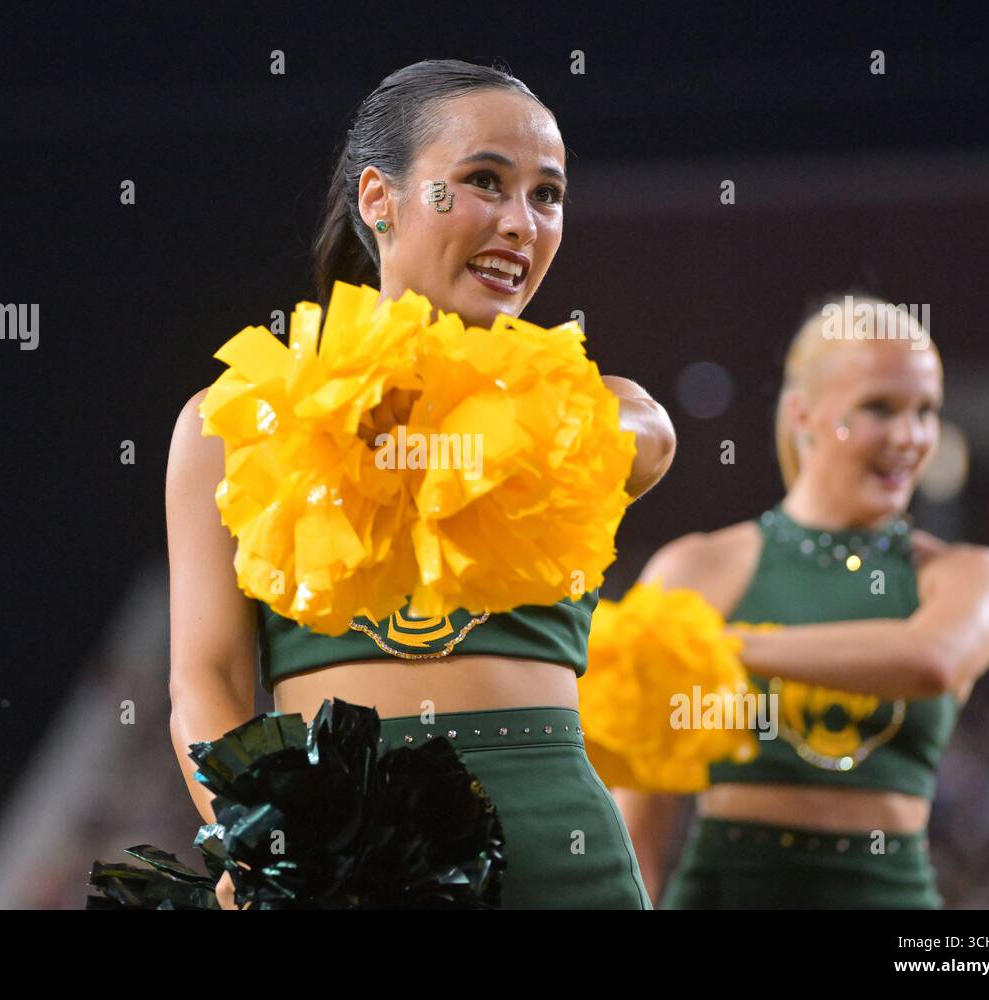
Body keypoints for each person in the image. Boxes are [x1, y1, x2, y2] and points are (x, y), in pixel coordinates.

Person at [166, 59, 676, 909]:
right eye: (484, 181)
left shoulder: (596, 406)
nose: (521, 223)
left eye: (546, 196)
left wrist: (449, 435)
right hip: (351, 861)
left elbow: (646, 438)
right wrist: (264, 844)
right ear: (380, 198)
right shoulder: (236, 418)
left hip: (565, 860)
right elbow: (206, 680)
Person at [614, 294, 989, 908]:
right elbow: (641, 813)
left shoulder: (965, 574)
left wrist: (716, 646)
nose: (910, 437)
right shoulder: (697, 567)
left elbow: (930, 659)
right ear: (801, 413)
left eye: (926, 411)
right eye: (879, 407)